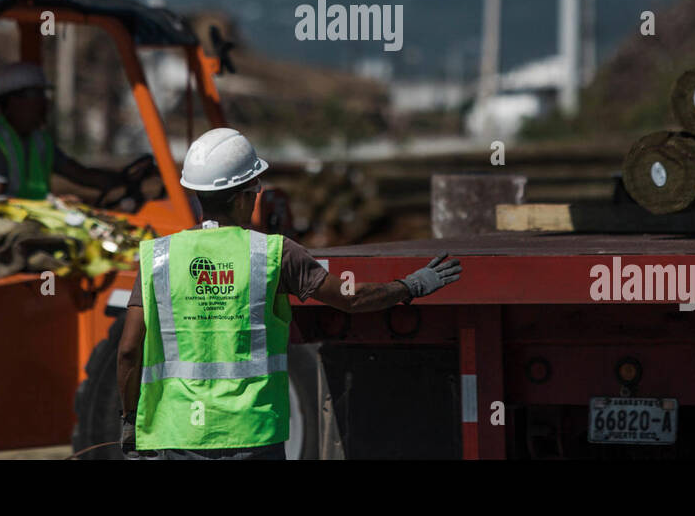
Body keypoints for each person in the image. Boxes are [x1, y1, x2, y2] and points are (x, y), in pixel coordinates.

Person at [116, 127, 461, 460]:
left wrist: (131, 419)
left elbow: (129, 350)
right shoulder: (274, 253)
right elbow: (351, 298)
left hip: (181, 433)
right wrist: (411, 285)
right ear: (243, 196)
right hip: (252, 432)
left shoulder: (156, 258)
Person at [0, 61, 126, 198]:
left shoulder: (40, 141)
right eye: (35, 95)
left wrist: (123, 179)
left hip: (35, 221)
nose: (44, 102)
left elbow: (80, 174)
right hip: (10, 225)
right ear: (11, 101)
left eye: (43, 94)